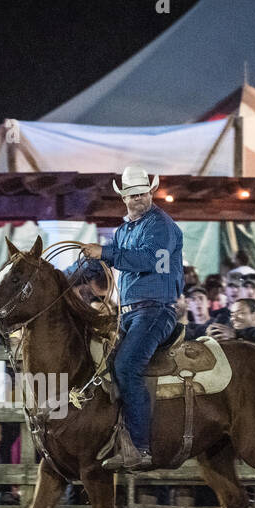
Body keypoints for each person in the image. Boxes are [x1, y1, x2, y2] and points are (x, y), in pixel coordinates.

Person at [78, 165, 183, 471]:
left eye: (141, 193)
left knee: (126, 365)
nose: (137, 199)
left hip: (156, 310)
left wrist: (105, 253)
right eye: (131, 195)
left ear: (151, 193)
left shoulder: (161, 226)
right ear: (123, 198)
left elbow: (150, 259)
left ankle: (140, 447)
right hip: (130, 314)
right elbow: (117, 260)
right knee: (104, 365)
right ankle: (116, 436)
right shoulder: (124, 231)